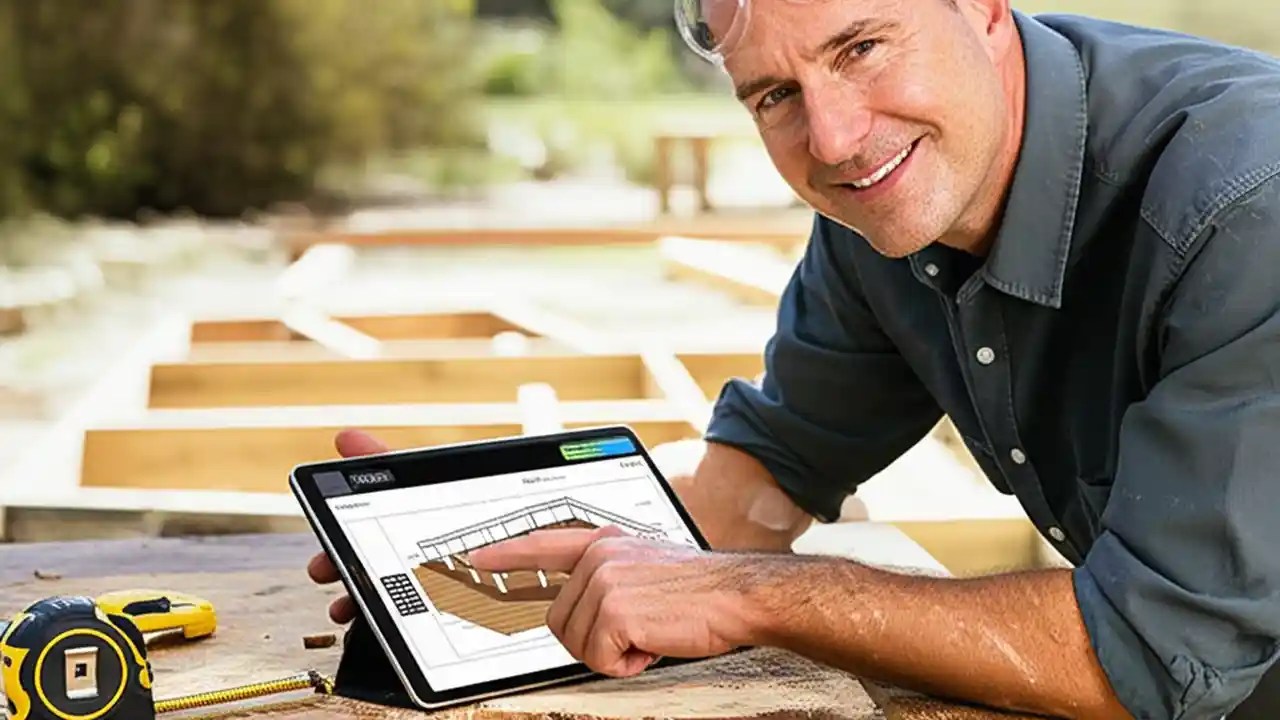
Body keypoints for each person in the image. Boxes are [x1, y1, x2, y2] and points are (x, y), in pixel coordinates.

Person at [308, 1, 1280, 717]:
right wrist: (452, 560)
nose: (833, 140)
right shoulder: (890, 202)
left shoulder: (1243, 206)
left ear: (981, 8)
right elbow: (764, 480)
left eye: (859, 48)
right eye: (774, 94)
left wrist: (752, 595)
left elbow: (1151, 655)